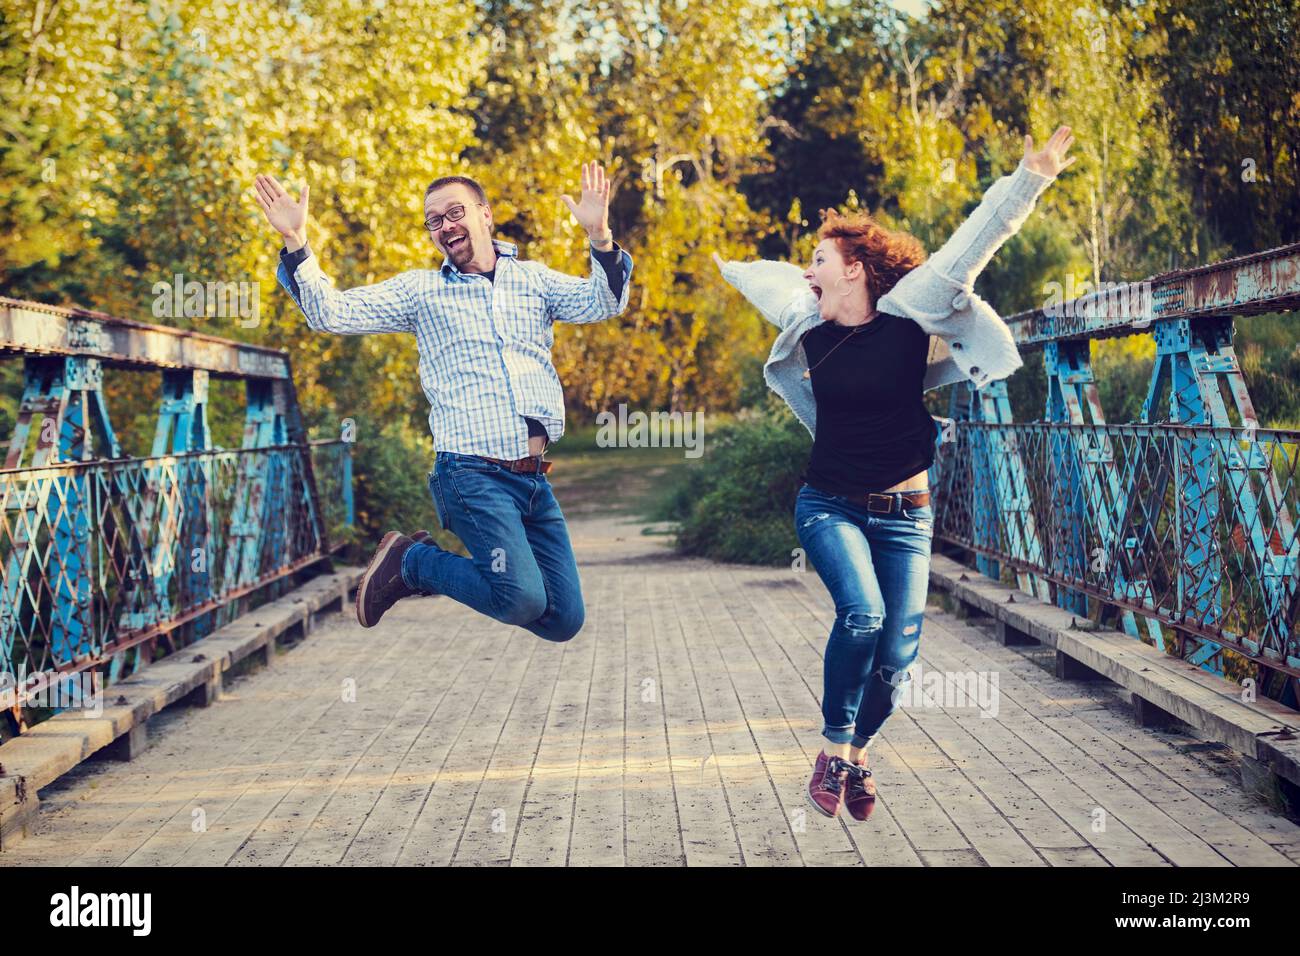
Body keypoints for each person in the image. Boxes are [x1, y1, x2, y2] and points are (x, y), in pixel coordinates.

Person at [715, 126, 1076, 821]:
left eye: (817, 260)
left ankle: (859, 751)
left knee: (899, 660)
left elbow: (974, 241)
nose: (807, 272)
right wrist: (729, 264)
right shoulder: (807, 328)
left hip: (907, 514)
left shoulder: (913, 316)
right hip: (828, 505)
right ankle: (831, 751)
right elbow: (767, 281)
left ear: (855, 267)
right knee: (864, 615)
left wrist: (1030, 177)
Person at [252, 161, 633, 641]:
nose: (446, 225)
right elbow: (333, 313)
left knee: (562, 619)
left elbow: (605, 302)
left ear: (485, 214)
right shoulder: (421, 291)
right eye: (435, 220)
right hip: (470, 473)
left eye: (456, 212)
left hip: (533, 478)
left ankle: (413, 560)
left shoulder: (534, 281)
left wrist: (599, 237)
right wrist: (295, 242)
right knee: (520, 598)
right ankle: (414, 563)